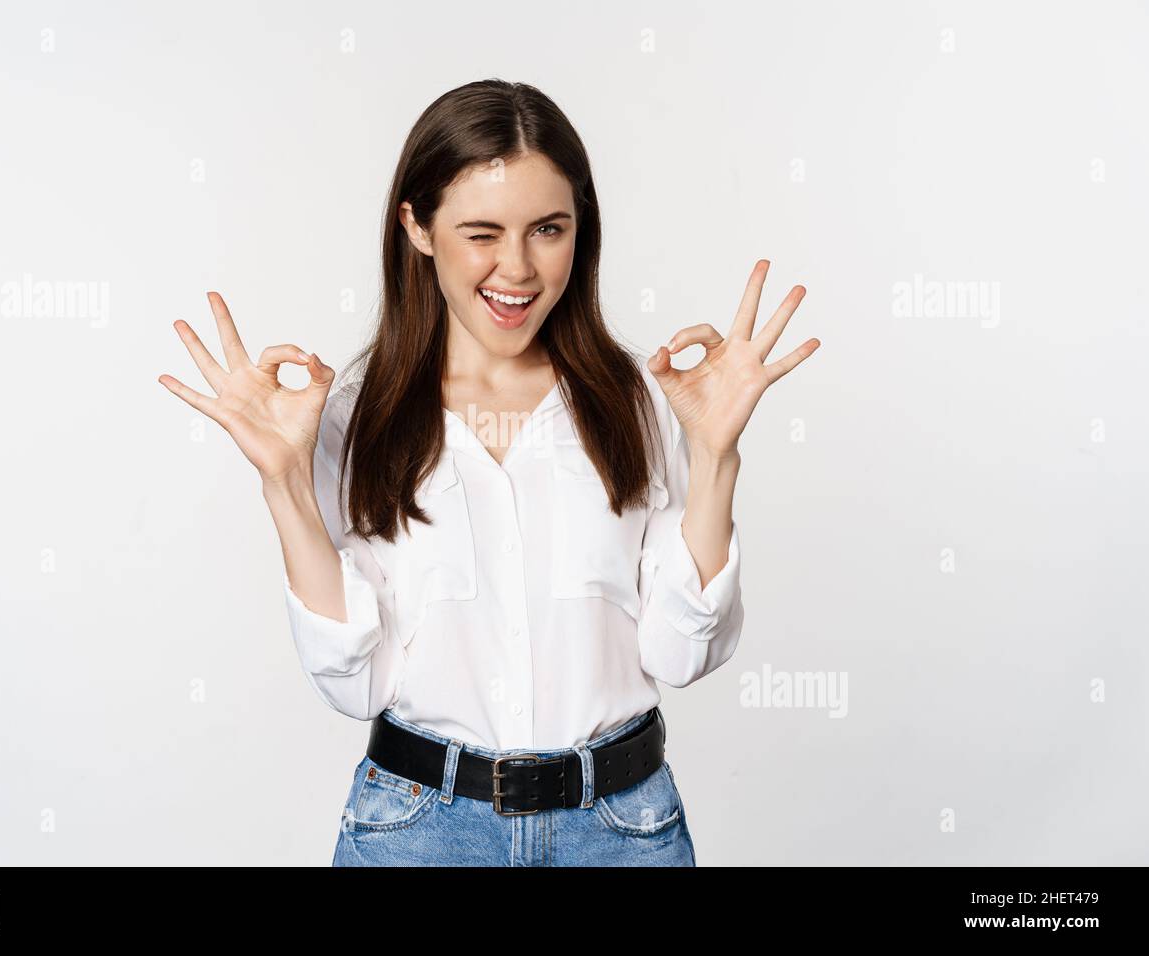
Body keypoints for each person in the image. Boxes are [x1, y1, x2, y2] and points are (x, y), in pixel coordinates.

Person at [158, 79, 819, 866]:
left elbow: (682, 655)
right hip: (417, 833)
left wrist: (715, 456)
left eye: (548, 229)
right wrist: (284, 483)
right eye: (482, 232)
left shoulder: (637, 400)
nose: (519, 268)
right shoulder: (351, 418)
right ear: (418, 226)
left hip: (620, 833)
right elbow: (354, 684)